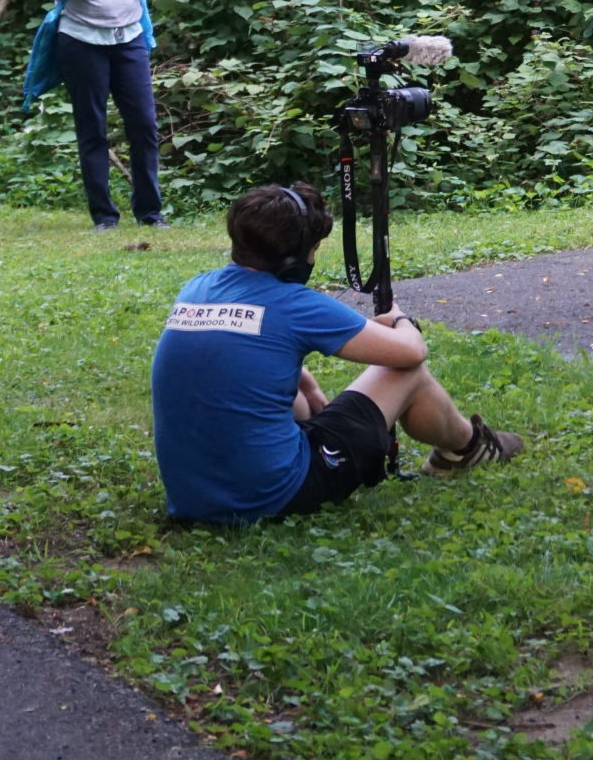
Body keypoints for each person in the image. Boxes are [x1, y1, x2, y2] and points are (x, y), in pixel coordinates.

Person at [150, 185, 521, 525]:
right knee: (408, 373)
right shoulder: (295, 304)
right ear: (296, 258)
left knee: (296, 396)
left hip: (192, 501)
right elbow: (410, 352)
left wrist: (303, 380)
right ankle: (468, 448)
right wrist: (399, 318)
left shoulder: (196, 288)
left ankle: (460, 449)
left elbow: (231, 355)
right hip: (272, 498)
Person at [46, 0, 163, 230]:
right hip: (80, 40)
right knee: (91, 126)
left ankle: (150, 211)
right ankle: (104, 216)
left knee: (143, 124)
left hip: (128, 36)